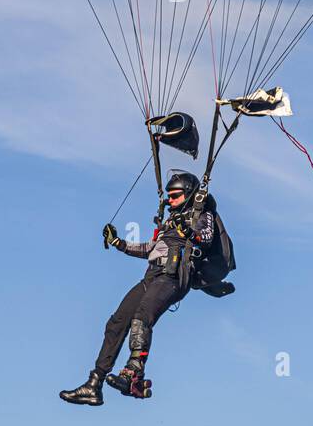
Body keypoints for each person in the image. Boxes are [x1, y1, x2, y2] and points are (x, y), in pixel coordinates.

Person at [59, 171, 215, 405]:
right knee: (117, 321)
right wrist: (118, 243)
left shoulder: (201, 214)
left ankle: (133, 372)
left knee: (142, 315)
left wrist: (189, 229)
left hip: (173, 275)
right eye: (168, 196)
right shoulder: (169, 222)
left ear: (188, 194)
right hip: (152, 275)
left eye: (175, 196)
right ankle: (94, 384)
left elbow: (207, 236)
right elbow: (149, 249)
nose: (169, 200)